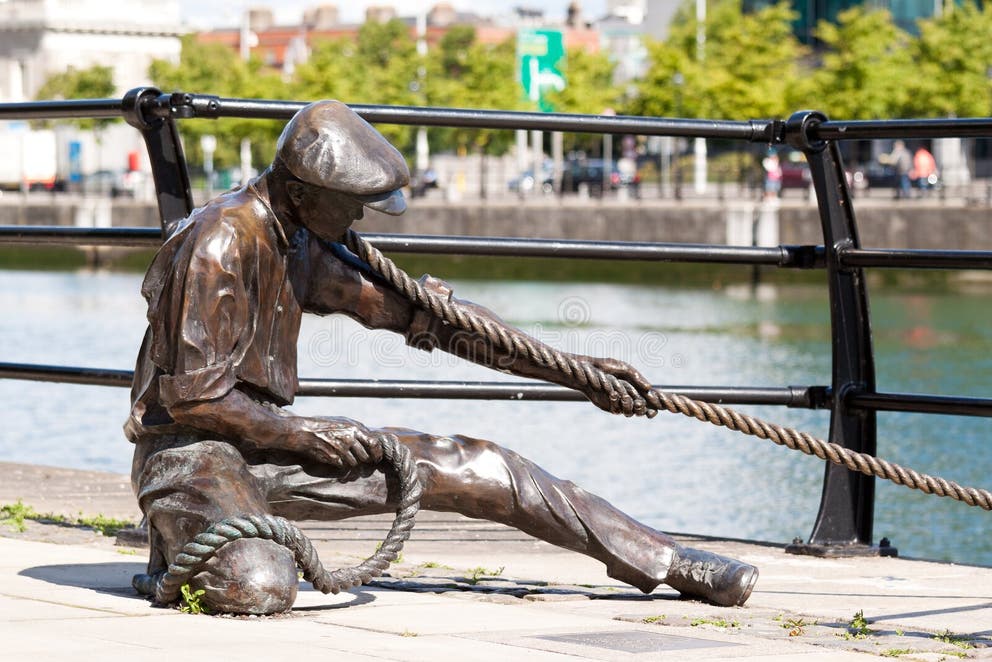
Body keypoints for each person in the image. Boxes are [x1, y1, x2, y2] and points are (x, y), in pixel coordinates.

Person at [125, 100, 758, 615]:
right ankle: (181, 544)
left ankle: (669, 561)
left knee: (483, 468)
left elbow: (433, 321)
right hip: (188, 453)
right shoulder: (220, 244)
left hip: (272, 446)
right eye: (350, 203)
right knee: (260, 586)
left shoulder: (305, 243)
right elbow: (194, 398)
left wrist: (572, 369)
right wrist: (305, 432)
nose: (360, 217)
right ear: (298, 190)